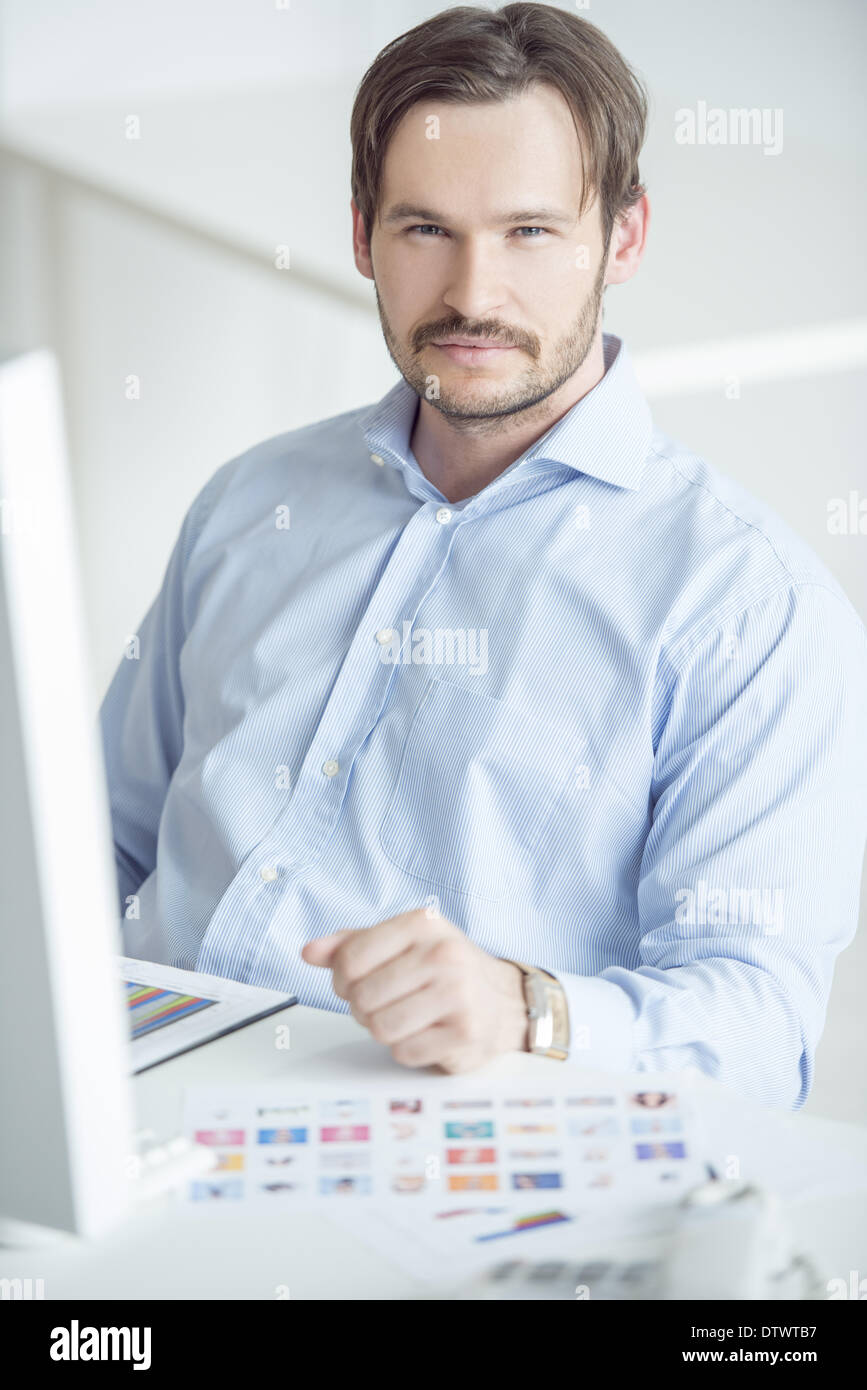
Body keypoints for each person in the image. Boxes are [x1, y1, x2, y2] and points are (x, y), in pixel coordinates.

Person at [100, 4, 867, 1109]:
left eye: (529, 233)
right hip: (122, 1109)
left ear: (626, 236)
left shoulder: (750, 610)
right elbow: (97, 844)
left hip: (418, 1160)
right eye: (425, 231)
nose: (471, 295)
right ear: (361, 232)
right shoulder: (249, 501)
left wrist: (524, 1009)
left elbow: (757, 1034)